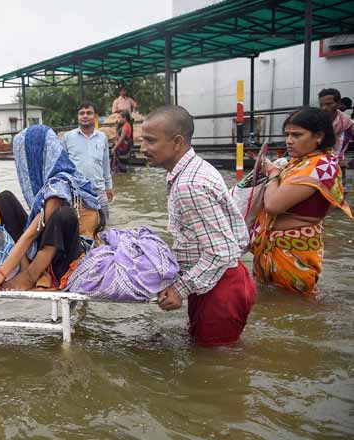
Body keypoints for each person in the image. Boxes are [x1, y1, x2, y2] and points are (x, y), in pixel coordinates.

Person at [140, 105, 256, 346]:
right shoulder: (193, 171)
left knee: (215, 368)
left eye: (150, 141)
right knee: (210, 353)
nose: (143, 149)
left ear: (177, 142)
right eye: (143, 140)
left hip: (221, 288)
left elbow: (219, 252)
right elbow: (233, 239)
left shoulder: (189, 185)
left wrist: (179, 289)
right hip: (217, 281)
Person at [0, 125, 101, 301]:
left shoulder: (58, 186)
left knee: (63, 214)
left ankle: (31, 276)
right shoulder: (44, 187)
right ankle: (26, 267)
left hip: (66, 253)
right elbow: (35, 229)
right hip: (45, 242)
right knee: (4, 199)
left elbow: (30, 235)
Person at [251, 107, 353, 295]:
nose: (289, 141)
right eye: (287, 134)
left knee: (296, 303)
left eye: (297, 135)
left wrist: (273, 173)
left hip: (292, 250)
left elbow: (273, 205)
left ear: (319, 136)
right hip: (278, 246)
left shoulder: (320, 165)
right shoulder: (301, 161)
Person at [63, 101, 114, 222]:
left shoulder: (102, 137)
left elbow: (106, 164)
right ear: (78, 117)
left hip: (99, 190)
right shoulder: (68, 137)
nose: (85, 116)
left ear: (95, 117)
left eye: (89, 113)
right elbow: (63, 165)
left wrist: (109, 186)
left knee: (103, 224)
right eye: (82, 113)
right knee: (78, 226)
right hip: (76, 191)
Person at [318, 88, 353, 158]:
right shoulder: (314, 119)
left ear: (338, 103)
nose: (324, 108)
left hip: (337, 158)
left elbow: (344, 141)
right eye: (321, 105)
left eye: (329, 104)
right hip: (316, 157)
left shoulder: (346, 121)